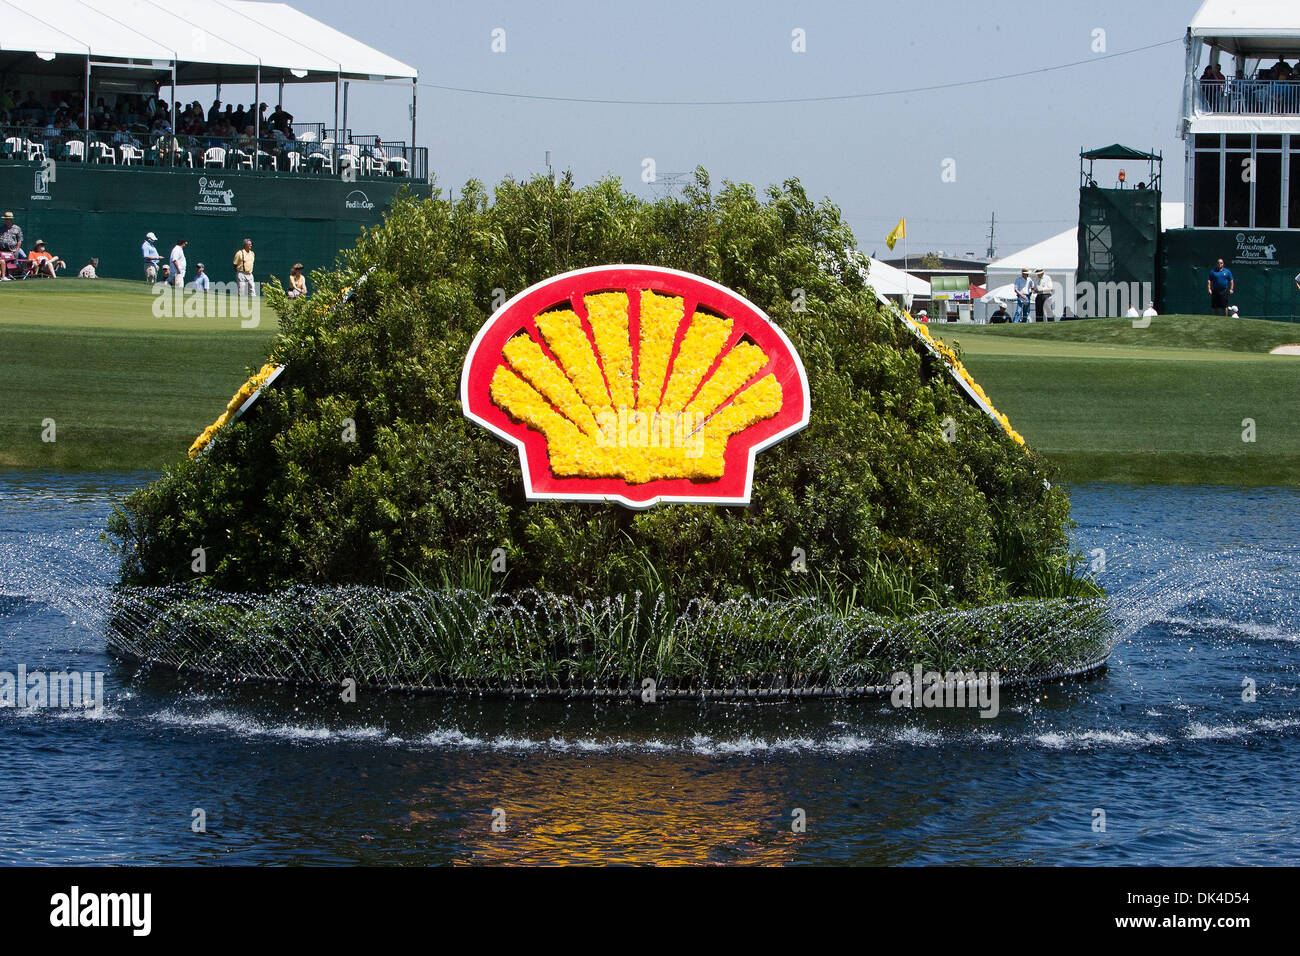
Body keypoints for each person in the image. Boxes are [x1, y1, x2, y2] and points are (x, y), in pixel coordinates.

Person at [0, 210, 24, 281]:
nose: (6, 221)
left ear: (11, 220)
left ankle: (9, 276)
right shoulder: (1, 228)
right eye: (5, 219)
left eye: (7, 219)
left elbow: (19, 240)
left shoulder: (17, 228)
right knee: (2, 261)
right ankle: (3, 276)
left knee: (11, 262)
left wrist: (17, 249)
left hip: (12, 250)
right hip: (2, 250)